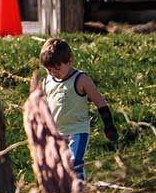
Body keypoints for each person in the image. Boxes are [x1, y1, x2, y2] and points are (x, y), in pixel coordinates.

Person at [39, 37, 118, 180]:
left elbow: (100, 102)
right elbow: (43, 106)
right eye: (49, 70)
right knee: (57, 165)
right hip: (57, 132)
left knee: (74, 163)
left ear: (69, 61)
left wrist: (108, 125)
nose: (53, 73)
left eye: (57, 69)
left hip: (77, 130)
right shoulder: (47, 82)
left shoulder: (81, 79)